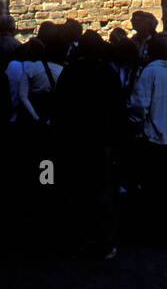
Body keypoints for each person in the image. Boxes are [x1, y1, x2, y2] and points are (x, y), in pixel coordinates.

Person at [53, 30, 125, 259]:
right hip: (100, 141)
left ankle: (79, 241)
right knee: (101, 192)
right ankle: (103, 242)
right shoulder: (107, 73)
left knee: (77, 191)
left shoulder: (70, 72)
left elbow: (61, 107)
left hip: (76, 141)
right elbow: (117, 109)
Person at [130, 33, 167, 241]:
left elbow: (140, 105)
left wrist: (142, 124)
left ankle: (157, 231)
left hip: (154, 137)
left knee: (155, 187)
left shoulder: (149, 72)